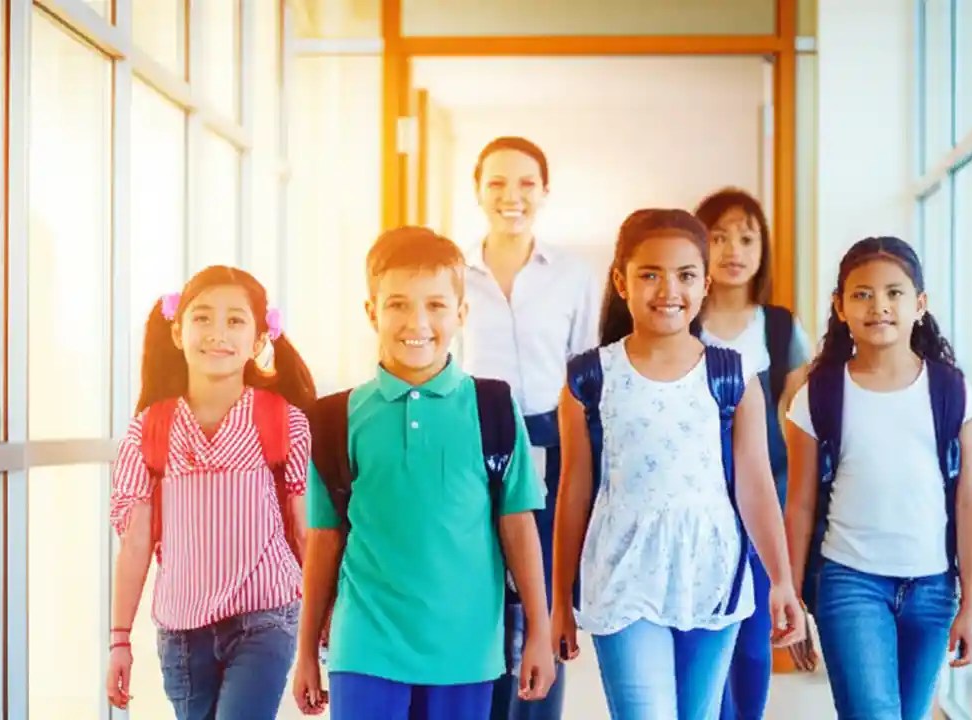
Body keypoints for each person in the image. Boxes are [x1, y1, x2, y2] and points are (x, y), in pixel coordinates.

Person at [550, 209, 808, 718]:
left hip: (711, 575)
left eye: (686, 275)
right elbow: (574, 493)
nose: (669, 289)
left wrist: (781, 581)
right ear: (622, 282)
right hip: (621, 575)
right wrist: (560, 599)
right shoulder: (589, 380)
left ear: (705, 283)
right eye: (650, 274)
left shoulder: (733, 377)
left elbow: (755, 486)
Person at [291, 226, 555, 720]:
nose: (417, 321)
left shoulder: (493, 407)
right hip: (364, 646)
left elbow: (518, 527)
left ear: (461, 313)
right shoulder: (335, 418)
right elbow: (323, 541)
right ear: (372, 312)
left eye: (436, 305)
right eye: (397, 305)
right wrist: (306, 650)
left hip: (466, 650)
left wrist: (539, 633)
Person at [783, 237, 972, 720]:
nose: (879, 306)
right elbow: (800, 505)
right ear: (840, 307)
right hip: (850, 582)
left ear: (919, 304)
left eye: (894, 293)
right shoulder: (819, 394)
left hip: (933, 588)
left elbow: (970, 502)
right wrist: (790, 597)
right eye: (862, 294)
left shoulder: (954, 392)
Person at [106, 266, 317, 719]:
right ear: (178, 332)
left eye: (235, 321)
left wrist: (321, 628)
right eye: (202, 318)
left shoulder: (283, 422)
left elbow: (306, 533)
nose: (217, 333)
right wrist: (119, 639)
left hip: (267, 616)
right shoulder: (151, 430)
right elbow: (135, 542)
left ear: (259, 341)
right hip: (182, 633)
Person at [460, 136, 599, 720]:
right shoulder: (454, 272)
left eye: (524, 184)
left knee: (543, 597)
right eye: (497, 183)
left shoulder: (573, 274)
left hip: (550, 439)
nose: (510, 196)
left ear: (544, 192)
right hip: (470, 441)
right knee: (481, 596)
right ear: (477, 191)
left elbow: (587, 373)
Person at [692, 188, 814, 718]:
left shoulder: (781, 327)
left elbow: (801, 418)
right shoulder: (679, 320)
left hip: (765, 504)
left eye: (747, 238)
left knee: (751, 638)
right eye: (719, 237)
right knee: (700, 635)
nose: (733, 250)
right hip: (694, 502)